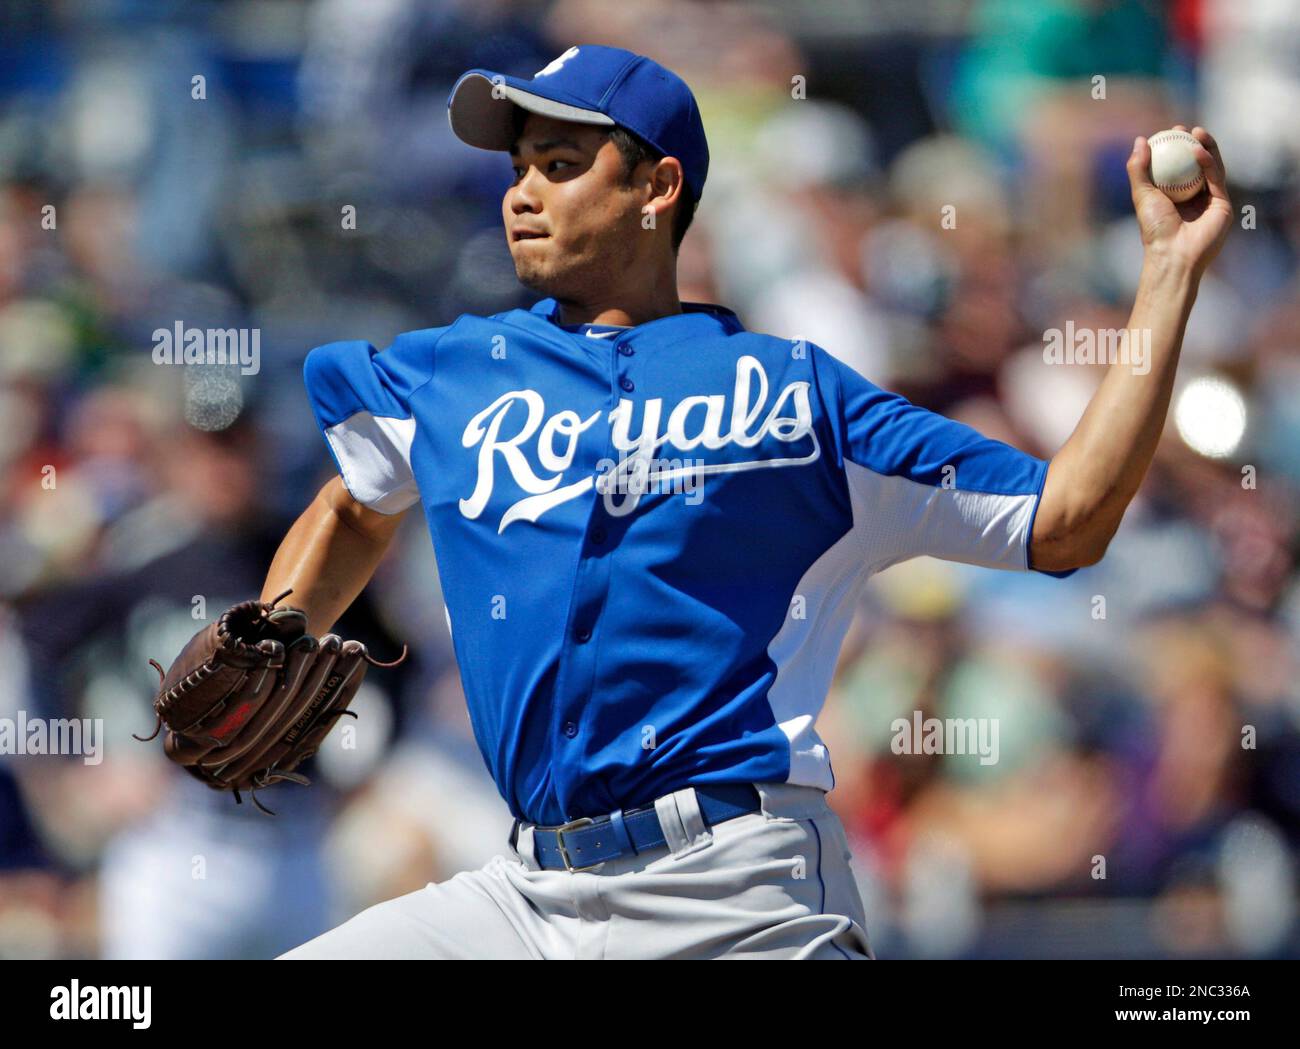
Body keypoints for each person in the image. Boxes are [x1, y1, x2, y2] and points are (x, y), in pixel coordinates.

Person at [276, 44, 1230, 959]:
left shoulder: (795, 397)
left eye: (560, 164)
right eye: (519, 165)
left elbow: (1066, 518)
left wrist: (1168, 272)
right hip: (524, 894)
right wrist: (274, 627)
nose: (521, 192)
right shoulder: (460, 370)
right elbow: (358, 501)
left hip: (734, 890)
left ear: (656, 189)